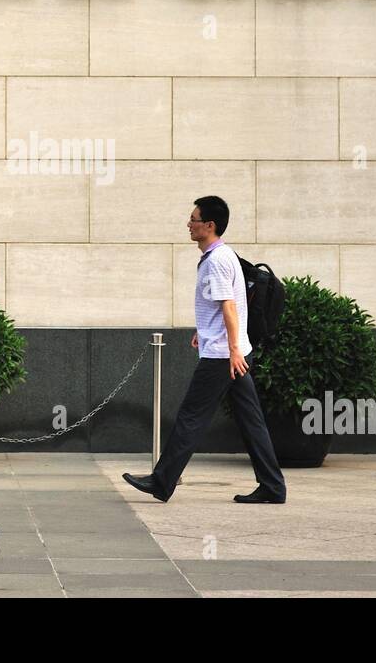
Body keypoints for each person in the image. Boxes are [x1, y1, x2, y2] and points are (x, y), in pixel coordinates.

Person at [122, 196, 287, 504]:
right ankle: (273, 486)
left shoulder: (217, 261)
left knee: (190, 417)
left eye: (194, 219)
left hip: (222, 356)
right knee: (251, 421)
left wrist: (233, 349)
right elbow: (223, 304)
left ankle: (161, 481)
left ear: (209, 226)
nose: (189, 224)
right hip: (230, 351)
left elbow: (229, 307)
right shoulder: (222, 256)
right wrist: (205, 331)